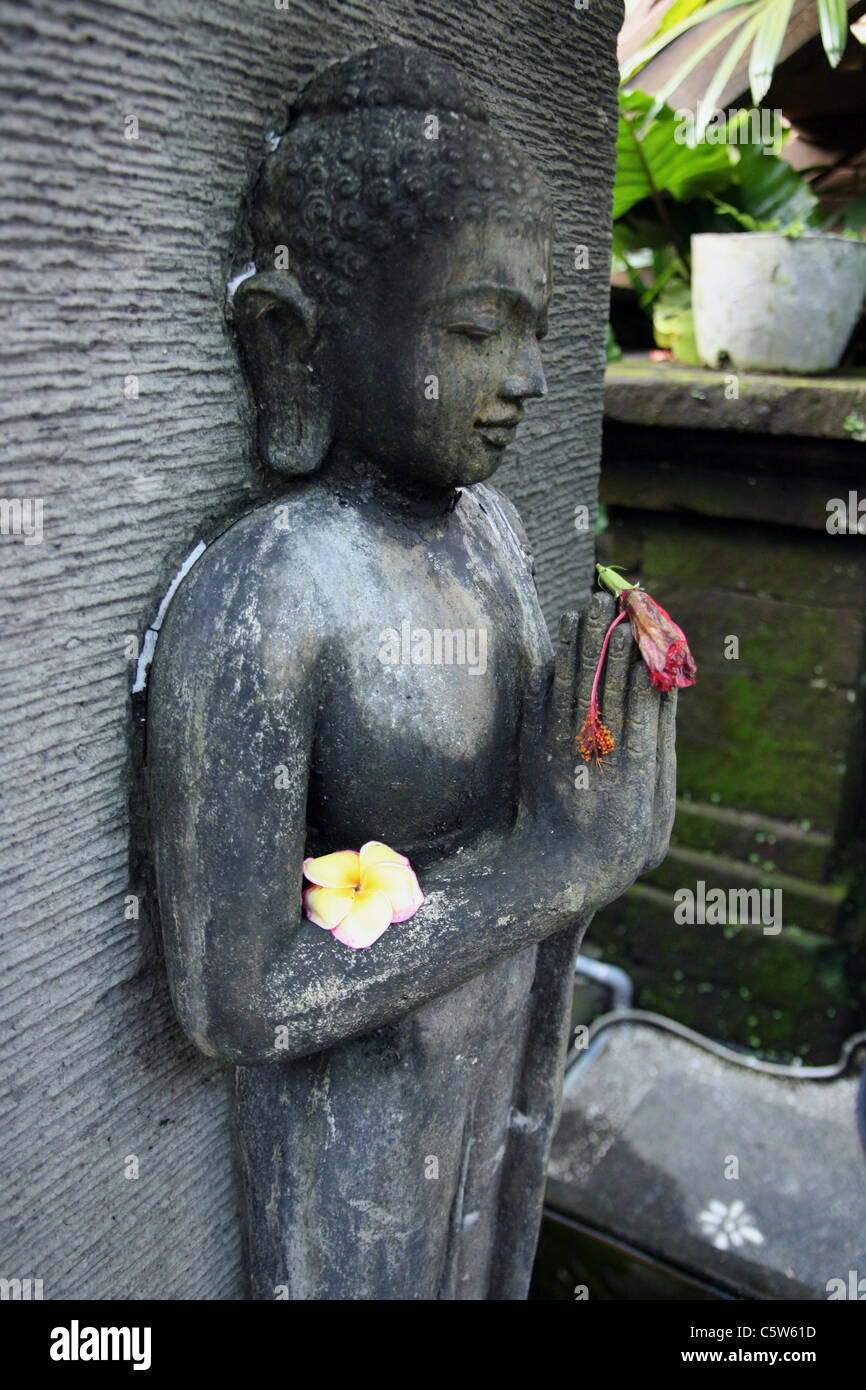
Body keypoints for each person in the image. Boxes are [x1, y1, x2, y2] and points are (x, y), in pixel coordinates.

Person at [147, 43, 676, 1300]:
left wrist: (596, 779)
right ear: (298, 339)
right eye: (475, 329)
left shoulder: (487, 533)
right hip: (358, 1130)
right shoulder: (266, 595)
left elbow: (540, 808)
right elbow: (234, 999)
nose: (528, 379)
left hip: (493, 1065)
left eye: (538, 332)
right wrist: (552, 869)